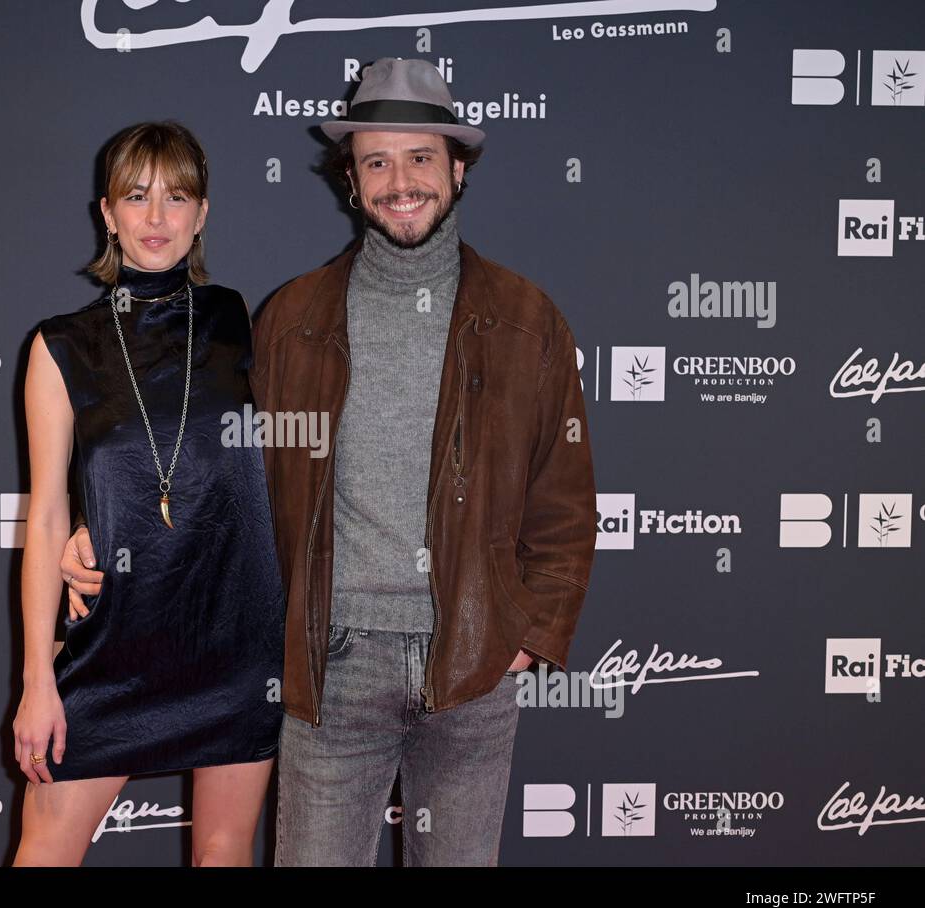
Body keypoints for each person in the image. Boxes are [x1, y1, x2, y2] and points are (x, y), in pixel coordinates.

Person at [64, 58, 597, 867]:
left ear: (458, 167)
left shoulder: (527, 320)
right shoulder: (293, 316)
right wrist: (95, 526)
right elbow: (207, 458)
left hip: (474, 662)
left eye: (421, 157)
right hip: (328, 663)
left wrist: (520, 638)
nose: (400, 181)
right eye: (376, 161)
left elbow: (564, 498)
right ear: (352, 180)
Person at [11, 121, 284, 867]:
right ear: (107, 212)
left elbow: (287, 467)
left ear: (202, 213)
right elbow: (45, 518)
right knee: (45, 849)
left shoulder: (243, 325)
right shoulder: (61, 346)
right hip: (115, 642)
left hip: (235, 638)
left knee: (224, 853)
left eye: (177, 197)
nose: (156, 218)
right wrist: (39, 679)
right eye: (137, 197)